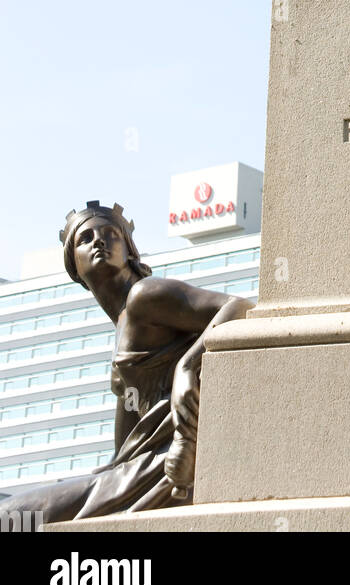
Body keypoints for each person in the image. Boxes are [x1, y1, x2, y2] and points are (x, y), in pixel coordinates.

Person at [9, 201, 252, 522]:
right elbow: (122, 453)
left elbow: (239, 306)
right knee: (18, 511)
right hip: (139, 468)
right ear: (74, 268)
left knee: (11, 516)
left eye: (111, 234)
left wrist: (187, 368)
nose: (99, 240)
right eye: (85, 238)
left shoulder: (145, 296)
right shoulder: (121, 336)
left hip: (162, 463)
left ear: (129, 251)